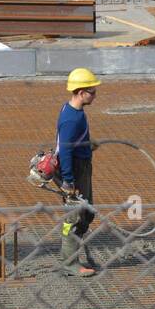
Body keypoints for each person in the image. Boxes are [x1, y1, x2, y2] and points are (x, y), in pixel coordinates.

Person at [58, 68, 102, 277]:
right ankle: (69, 262)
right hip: (74, 170)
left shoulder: (74, 111)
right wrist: (68, 180)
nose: (95, 95)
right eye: (92, 91)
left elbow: (70, 142)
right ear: (81, 92)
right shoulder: (71, 119)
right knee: (74, 217)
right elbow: (64, 150)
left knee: (88, 213)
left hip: (82, 165)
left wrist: (86, 143)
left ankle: (73, 253)